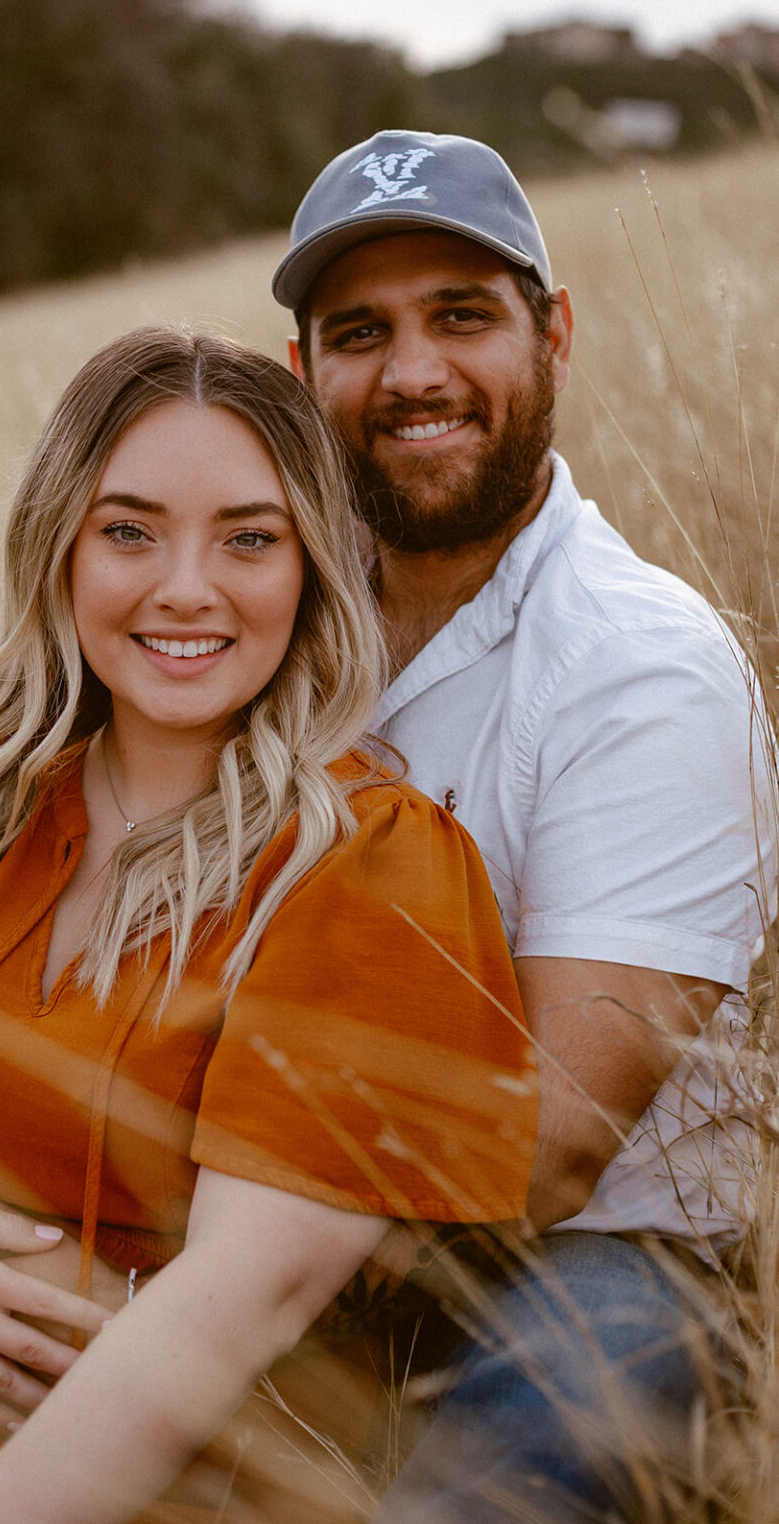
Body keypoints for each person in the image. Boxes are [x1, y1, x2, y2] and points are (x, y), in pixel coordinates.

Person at [0, 326, 537, 1523]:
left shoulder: (368, 862)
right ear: (59, 549)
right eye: (129, 531)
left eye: (248, 539)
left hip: (111, 1484)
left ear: (313, 567)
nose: (185, 587)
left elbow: (238, 1307)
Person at [269, 129, 777, 1521]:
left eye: (463, 317)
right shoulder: (262, 626)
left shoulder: (637, 660)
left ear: (553, 335)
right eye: (360, 332)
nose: (414, 373)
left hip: (598, 1262)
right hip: (274, 1220)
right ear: (307, 372)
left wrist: (211, 1263)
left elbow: (552, 1142)